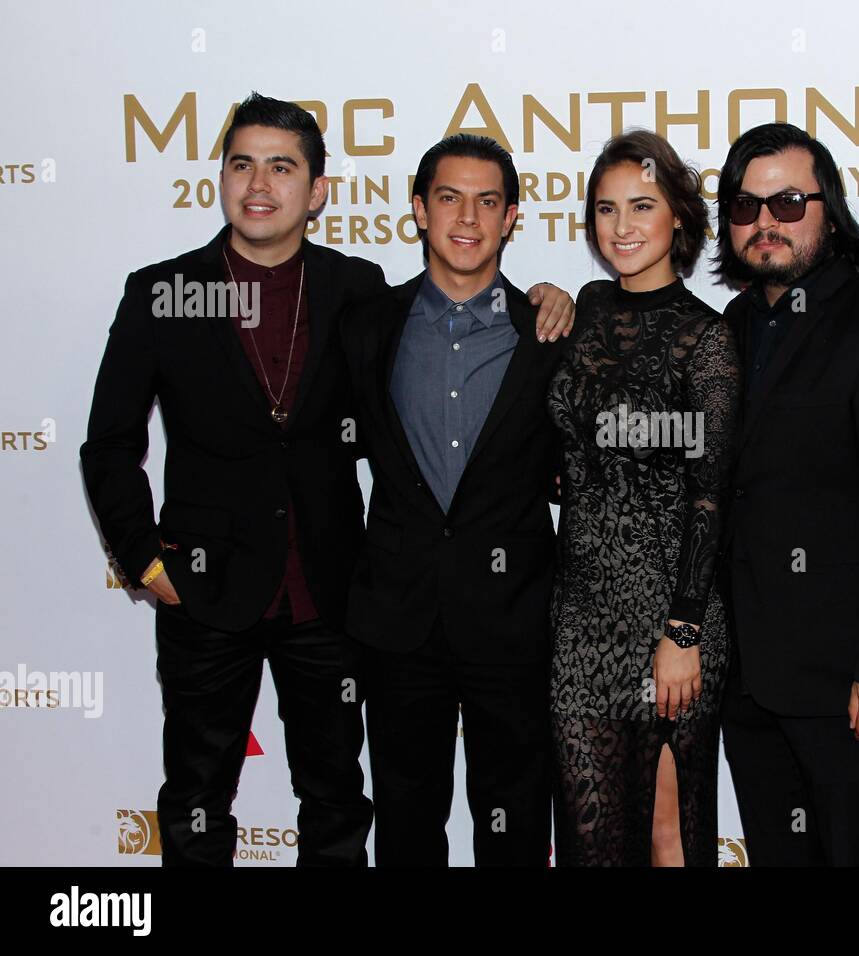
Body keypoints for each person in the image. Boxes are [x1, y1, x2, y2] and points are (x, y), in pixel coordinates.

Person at [80, 94, 573, 867]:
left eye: (282, 166)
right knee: (196, 800)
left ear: (317, 191)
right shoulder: (160, 292)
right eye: (242, 164)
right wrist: (144, 561)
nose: (259, 184)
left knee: (338, 804)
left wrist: (549, 296)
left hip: (332, 602)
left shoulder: (356, 292)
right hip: (207, 596)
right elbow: (108, 445)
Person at [715, 123, 859, 866]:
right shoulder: (734, 324)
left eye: (787, 204)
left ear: (831, 213)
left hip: (856, 687)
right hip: (751, 680)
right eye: (746, 207)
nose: (765, 224)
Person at [341, 134, 575, 866]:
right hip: (398, 620)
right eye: (449, 197)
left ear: (512, 218)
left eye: (487, 201)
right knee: (406, 828)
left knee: (514, 823)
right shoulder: (367, 326)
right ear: (418, 209)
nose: (467, 217)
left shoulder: (552, 334)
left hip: (513, 621)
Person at [548, 131, 739, 866]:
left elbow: (708, 498)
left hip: (671, 619)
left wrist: (683, 633)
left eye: (642, 206)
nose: (621, 226)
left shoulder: (706, 340)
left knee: (669, 836)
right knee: (591, 841)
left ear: (680, 221)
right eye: (605, 208)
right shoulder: (586, 308)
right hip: (579, 617)